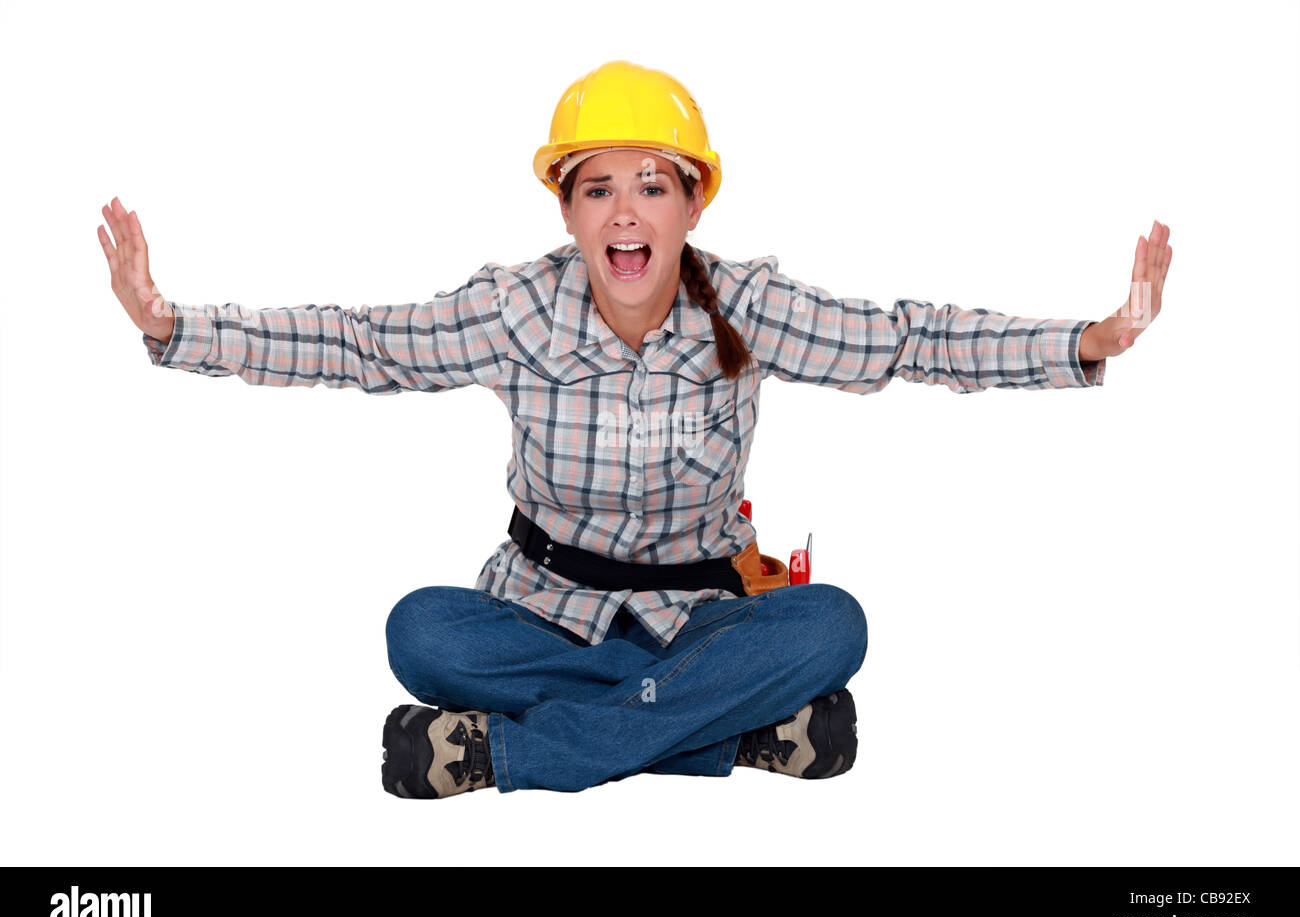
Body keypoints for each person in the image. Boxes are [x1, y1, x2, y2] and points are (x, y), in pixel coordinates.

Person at [99, 60, 1172, 800]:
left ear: (691, 205)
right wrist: (174, 324)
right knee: (420, 633)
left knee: (832, 625)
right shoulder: (514, 308)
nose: (625, 211)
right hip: (540, 612)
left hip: (700, 614)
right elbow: (360, 344)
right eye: (597, 187)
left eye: (652, 185)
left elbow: (903, 341)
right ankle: (734, 733)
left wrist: (1085, 339)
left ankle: (508, 754)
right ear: (566, 211)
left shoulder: (744, 305)